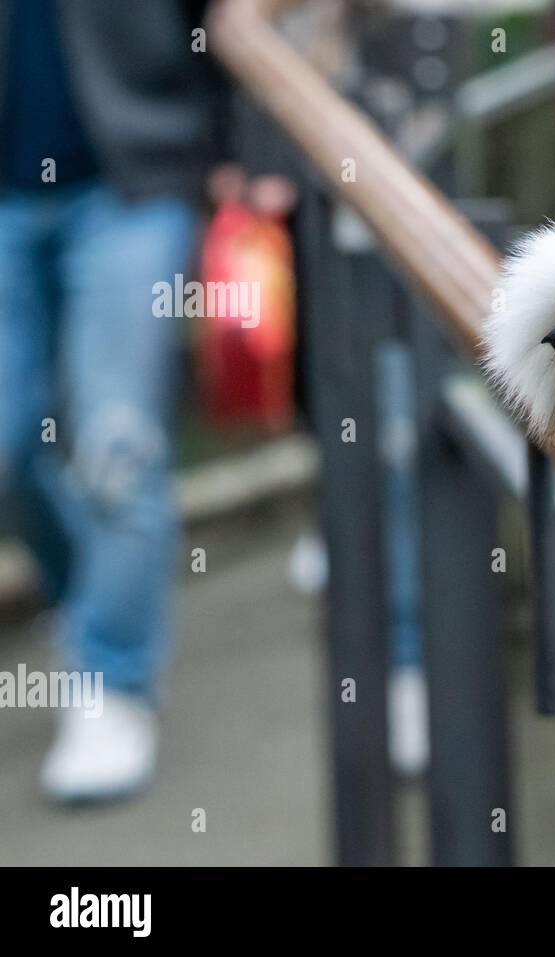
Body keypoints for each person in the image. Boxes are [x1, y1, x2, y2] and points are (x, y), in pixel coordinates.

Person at [0, 0, 224, 801]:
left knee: (119, 446)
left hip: (131, 186)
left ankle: (113, 678)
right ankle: (89, 608)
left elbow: (224, 20)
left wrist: (234, 152)